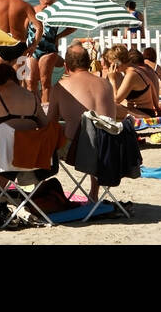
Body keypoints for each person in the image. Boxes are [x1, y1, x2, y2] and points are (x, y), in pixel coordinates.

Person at [48, 42, 119, 198]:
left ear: (66, 66)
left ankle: (34, 191)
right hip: (109, 147)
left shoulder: (61, 87)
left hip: (76, 151)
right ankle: (94, 193)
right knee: (95, 132)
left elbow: (50, 122)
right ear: (88, 63)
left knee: (51, 135)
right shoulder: (106, 84)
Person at [28, 0, 71, 103]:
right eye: (46, 4)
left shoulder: (57, 12)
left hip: (49, 50)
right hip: (32, 50)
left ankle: (46, 111)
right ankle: (34, 110)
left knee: (45, 82)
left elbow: (73, 26)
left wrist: (59, 36)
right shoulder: (31, 10)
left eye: (52, 4)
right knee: (30, 82)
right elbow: (22, 29)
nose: (48, 7)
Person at [106, 44, 160, 118]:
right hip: (145, 111)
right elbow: (151, 85)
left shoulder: (131, 74)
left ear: (117, 63)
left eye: (111, 63)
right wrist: (157, 108)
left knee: (108, 107)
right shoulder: (135, 69)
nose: (110, 66)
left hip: (143, 113)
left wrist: (112, 79)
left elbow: (116, 100)